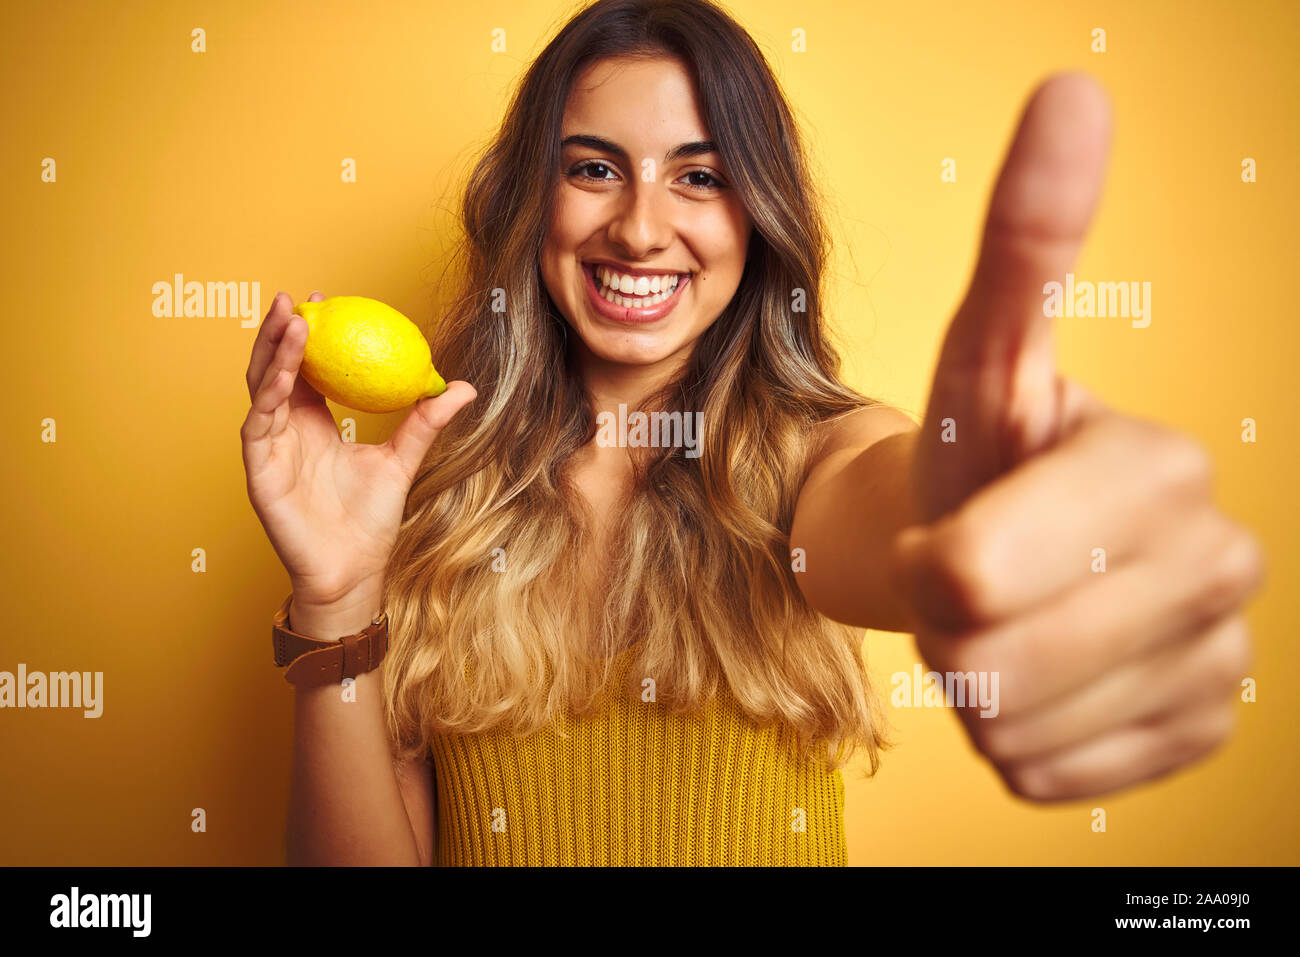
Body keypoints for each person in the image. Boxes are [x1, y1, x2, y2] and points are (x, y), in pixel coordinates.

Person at [240, 0, 1264, 866]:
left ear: (758, 215)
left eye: (700, 175)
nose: (639, 229)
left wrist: (995, 515)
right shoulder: (433, 494)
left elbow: (900, 511)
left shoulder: (814, 454)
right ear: (529, 201)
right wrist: (334, 598)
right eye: (593, 169)